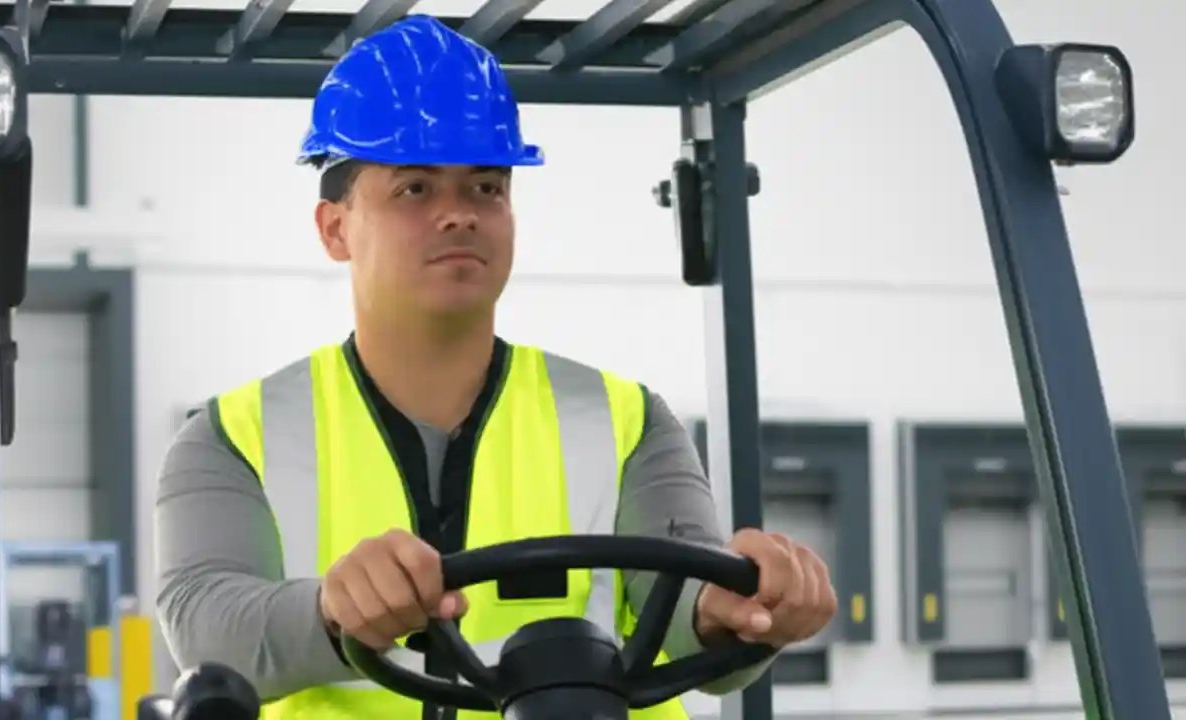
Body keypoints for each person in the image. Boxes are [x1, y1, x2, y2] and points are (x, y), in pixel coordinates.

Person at [154, 13, 837, 720]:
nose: (460, 215)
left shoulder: (626, 420)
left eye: (486, 188)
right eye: (415, 188)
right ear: (335, 228)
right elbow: (205, 628)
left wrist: (738, 613)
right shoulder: (233, 438)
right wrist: (331, 608)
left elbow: (686, 605)